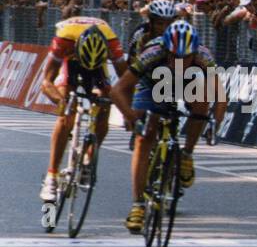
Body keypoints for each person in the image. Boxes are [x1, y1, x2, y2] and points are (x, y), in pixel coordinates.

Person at [110, 21, 226, 233]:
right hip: (152, 81)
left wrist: (214, 126)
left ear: (194, 52)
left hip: (188, 82)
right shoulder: (152, 53)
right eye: (173, 56)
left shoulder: (203, 57)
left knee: (202, 101)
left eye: (185, 57)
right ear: (166, 50)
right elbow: (118, 90)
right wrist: (132, 119)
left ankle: (187, 155)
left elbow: (220, 97)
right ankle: (137, 205)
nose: (178, 61)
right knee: (145, 137)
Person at [37, 17, 131, 204]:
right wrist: (61, 102)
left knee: (105, 104)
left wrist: (129, 112)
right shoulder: (64, 40)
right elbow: (46, 82)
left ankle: (88, 158)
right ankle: (51, 177)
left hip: (97, 66)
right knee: (66, 116)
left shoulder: (112, 42)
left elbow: (126, 82)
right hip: (70, 62)